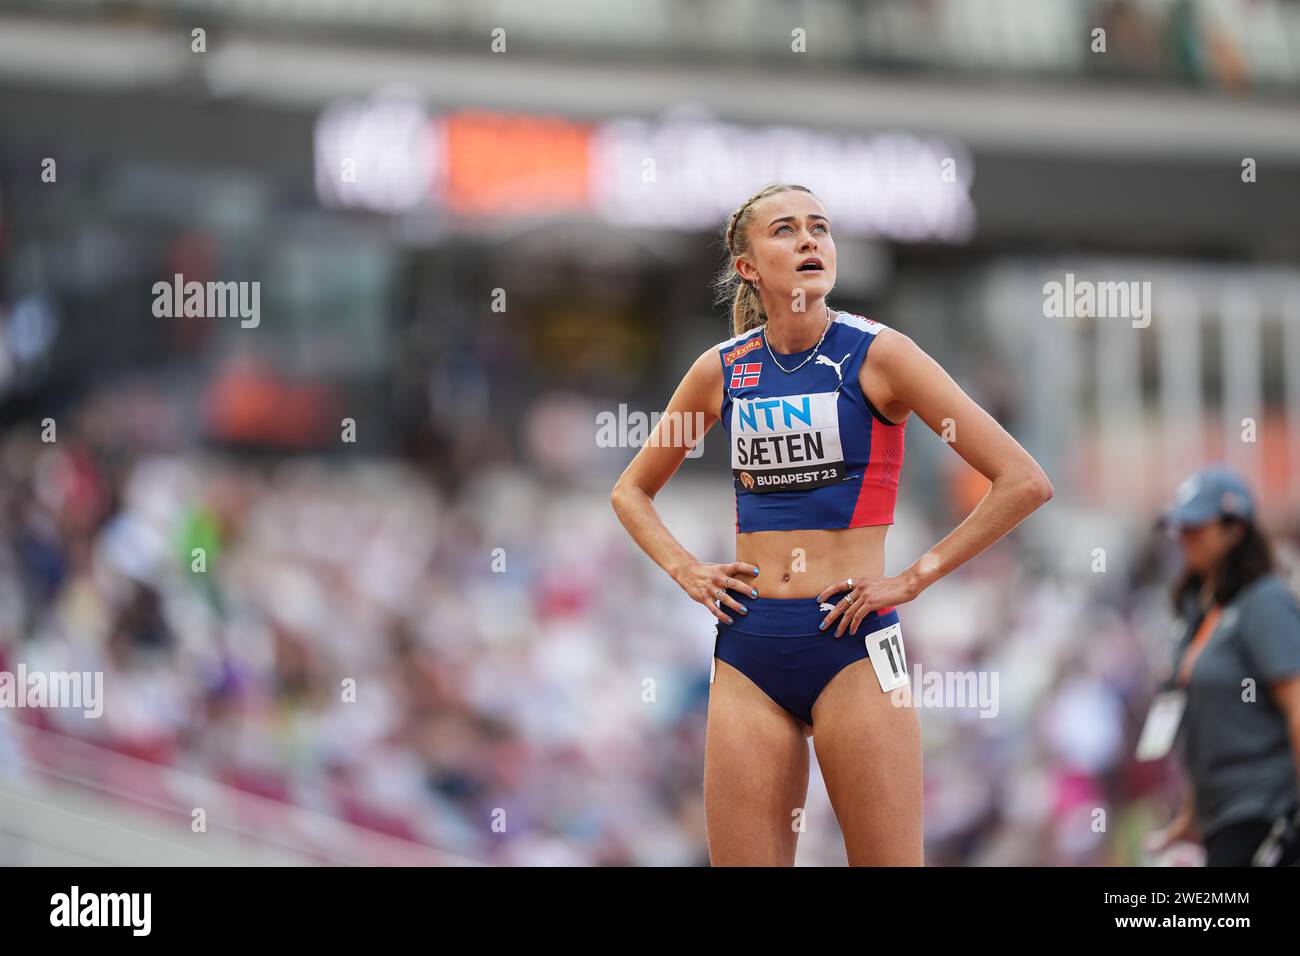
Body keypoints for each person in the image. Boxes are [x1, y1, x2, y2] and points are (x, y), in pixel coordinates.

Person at [609, 182, 1053, 865]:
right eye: (786, 230)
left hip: (854, 644)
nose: (810, 240)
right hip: (749, 649)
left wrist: (912, 578)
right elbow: (631, 492)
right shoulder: (723, 371)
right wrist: (687, 570)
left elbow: (1022, 480)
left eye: (820, 227)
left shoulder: (880, 356)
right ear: (749, 266)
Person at [1144, 465, 1300, 866]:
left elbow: (1297, 709)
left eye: (1198, 526)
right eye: (1182, 527)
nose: (1186, 538)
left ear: (1236, 528)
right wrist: (1190, 815)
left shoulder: (1263, 602)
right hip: (1223, 816)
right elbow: (1203, 722)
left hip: (1265, 810)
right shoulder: (1201, 610)